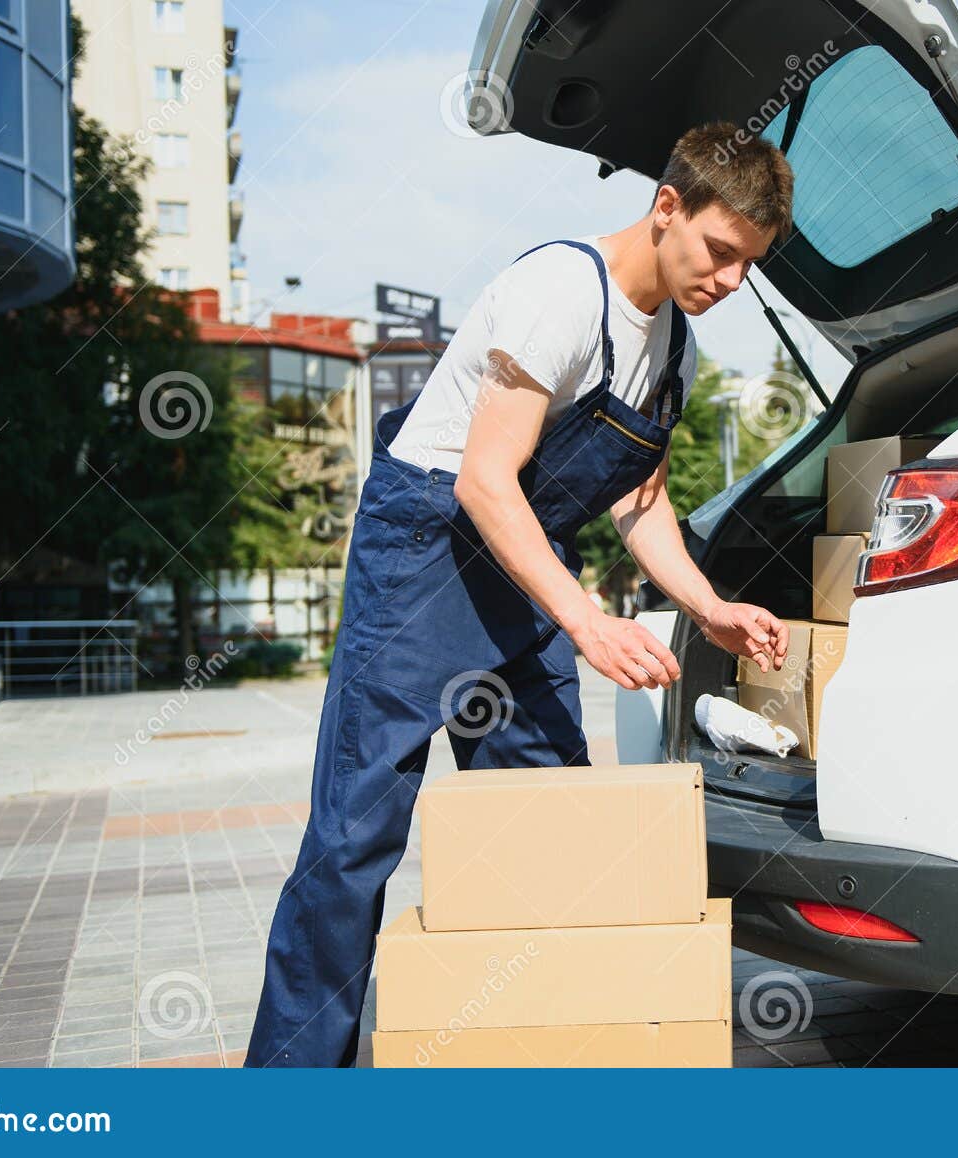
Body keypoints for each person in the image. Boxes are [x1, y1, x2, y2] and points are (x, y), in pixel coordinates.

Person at [246, 121, 795, 1067]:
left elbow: (639, 502)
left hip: (525, 558)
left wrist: (709, 608)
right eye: (720, 251)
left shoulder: (675, 351)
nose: (731, 280)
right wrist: (585, 621)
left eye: (751, 264)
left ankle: (535, 1058)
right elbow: (484, 481)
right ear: (667, 207)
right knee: (354, 837)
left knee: (546, 825)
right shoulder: (561, 294)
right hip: (427, 551)